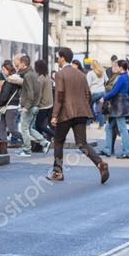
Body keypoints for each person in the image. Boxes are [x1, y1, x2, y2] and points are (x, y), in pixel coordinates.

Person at [50, 46, 109, 184]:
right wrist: (84, 106)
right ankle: (100, 163)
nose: (58, 60)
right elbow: (88, 94)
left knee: (58, 142)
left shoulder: (60, 74)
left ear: (63, 58)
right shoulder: (81, 74)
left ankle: (58, 172)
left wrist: (54, 115)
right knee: (82, 143)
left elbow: (59, 96)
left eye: (58, 57)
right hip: (81, 112)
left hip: (65, 113)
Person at [99, 60, 129, 158]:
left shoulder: (122, 78)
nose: (116, 68)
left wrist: (104, 97)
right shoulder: (128, 77)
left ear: (120, 67)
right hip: (122, 104)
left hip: (118, 106)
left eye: (117, 66)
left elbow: (114, 91)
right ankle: (107, 150)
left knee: (122, 129)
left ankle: (127, 152)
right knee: (109, 127)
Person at [16, 55, 46, 154]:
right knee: (29, 128)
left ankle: (27, 149)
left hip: (29, 106)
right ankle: (44, 142)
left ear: (23, 64)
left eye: (19, 63)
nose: (17, 65)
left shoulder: (28, 75)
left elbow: (30, 92)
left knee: (24, 128)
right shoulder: (34, 74)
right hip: (35, 105)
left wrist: (26, 107)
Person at [0, 60, 21, 154]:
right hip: (9, 107)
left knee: (12, 129)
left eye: (3, 70)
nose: (2, 72)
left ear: (7, 70)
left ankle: (30, 142)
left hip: (10, 107)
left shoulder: (9, 81)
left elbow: (4, 97)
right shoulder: (14, 80)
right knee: (2, 127)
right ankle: (3, 148)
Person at [34, 59, 55, 144]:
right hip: (49, 105)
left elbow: (39, 94)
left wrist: (35, 105)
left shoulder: (41, 79)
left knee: (39, 125)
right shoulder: (47, 77)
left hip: (43, 106)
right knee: (40, 125)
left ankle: (54, 135)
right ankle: (40, 144)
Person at [86, 61, 106, 126]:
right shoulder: (103, 72)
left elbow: (87, 84)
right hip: (102, 91)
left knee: (88, 107)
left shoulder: (90, 73)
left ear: (93, 66)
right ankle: (101, 125)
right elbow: (107, 80)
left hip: (93, 92)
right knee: (100, 109)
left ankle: (88, 124)